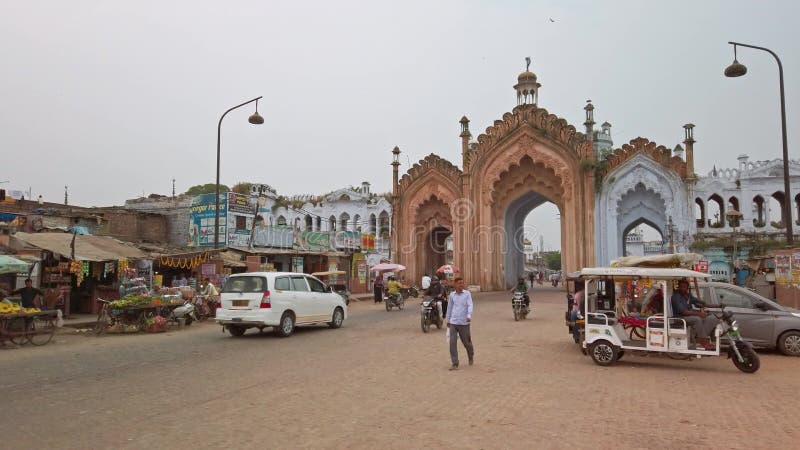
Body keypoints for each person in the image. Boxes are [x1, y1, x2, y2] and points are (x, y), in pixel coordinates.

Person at [670, 279, 719, 350]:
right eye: (681, 287)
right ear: (678, 287)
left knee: (711, 317)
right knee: (697, 319)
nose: (683, 288)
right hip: (679, 318)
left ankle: (703, 337)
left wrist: (718, 306)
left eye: (684, 287)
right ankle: (703, 340)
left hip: (689, 316)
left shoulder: (689, 296)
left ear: (687, 288)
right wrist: (699, 314)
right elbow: (683, 312)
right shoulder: (676, 297)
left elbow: (703, 303)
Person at [446, 277, 474, 370]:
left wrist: (469, 315)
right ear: (455, 284)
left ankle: (470, 355)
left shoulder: (467, 294)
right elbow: (449, 308)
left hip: (464, 322)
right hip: (454, 322)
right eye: (459, 283)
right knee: (452, 343)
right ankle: (455, 363)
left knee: (466, 342)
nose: (461, 285)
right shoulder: (452, 295)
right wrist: (448, 320)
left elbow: (470, 305)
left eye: (462, 283)